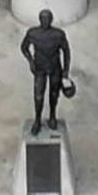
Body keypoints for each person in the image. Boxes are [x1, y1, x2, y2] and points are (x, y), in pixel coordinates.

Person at [21, 8, 74, 137]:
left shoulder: (58, 34)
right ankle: (37, 120)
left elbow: (67, 52)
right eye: (43, 19)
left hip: (55, 67)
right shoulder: (33, 33)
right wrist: (31, 61)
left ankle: (52, 116)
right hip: (39, 68)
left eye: (48, 19)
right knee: (38, 95)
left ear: (51, 20)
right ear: (40, 20)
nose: (46, 21)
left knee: (54, 94)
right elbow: (24, 47)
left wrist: (66, 71)